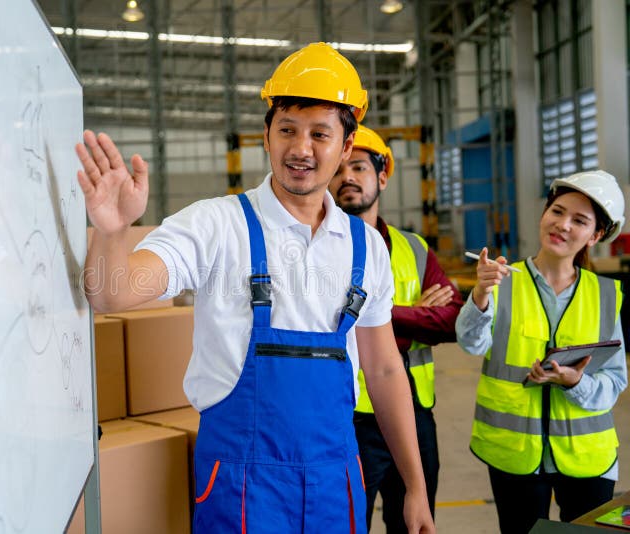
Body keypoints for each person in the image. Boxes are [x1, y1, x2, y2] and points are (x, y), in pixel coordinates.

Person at [75, 42, 435, 533]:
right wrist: (113, 231)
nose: (300, 148)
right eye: (286, 129)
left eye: (319, 134)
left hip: (337, 483)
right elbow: (111, 294)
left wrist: (414, 486)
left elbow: (385, 369)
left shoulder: (365, 248)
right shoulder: (216, 226)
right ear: (266, 136)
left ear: (346, 147)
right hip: (241, 484)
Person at [455, 170, 628, 534]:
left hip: (587, 459)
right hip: (514, 454)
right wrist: (480, 295)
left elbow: (614, 382)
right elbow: (472, 343)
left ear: (595, 235)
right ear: (544, 213)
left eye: (579, 220)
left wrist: (575, 381)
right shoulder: (503, 281)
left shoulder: (606, 295)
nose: (562, 225)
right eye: (557, 211)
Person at [329, 125, 463, 532]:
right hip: (347, 416)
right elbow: (332, 325)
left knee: (415, 523)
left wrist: (375, 314)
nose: (347, 177)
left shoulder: (415, 249)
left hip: (414, 415)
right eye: (337, 170)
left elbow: (451, 319)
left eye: (358, 167)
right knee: (349, 523)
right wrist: (411, 315)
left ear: (382, 176)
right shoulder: (318, 250)